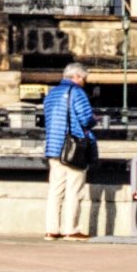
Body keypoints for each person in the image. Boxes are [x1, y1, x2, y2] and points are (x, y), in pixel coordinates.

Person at [41, 60, 96, 240]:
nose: (84, 82)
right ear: (77, 76)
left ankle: (51, 230)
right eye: (84, 78)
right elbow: (86, 118)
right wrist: (94, 119)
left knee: (55, 190)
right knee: (74, 189)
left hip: (54, 147)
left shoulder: (51, 94)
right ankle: (71, 229)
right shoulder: (77, 93)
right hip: (74, 149)